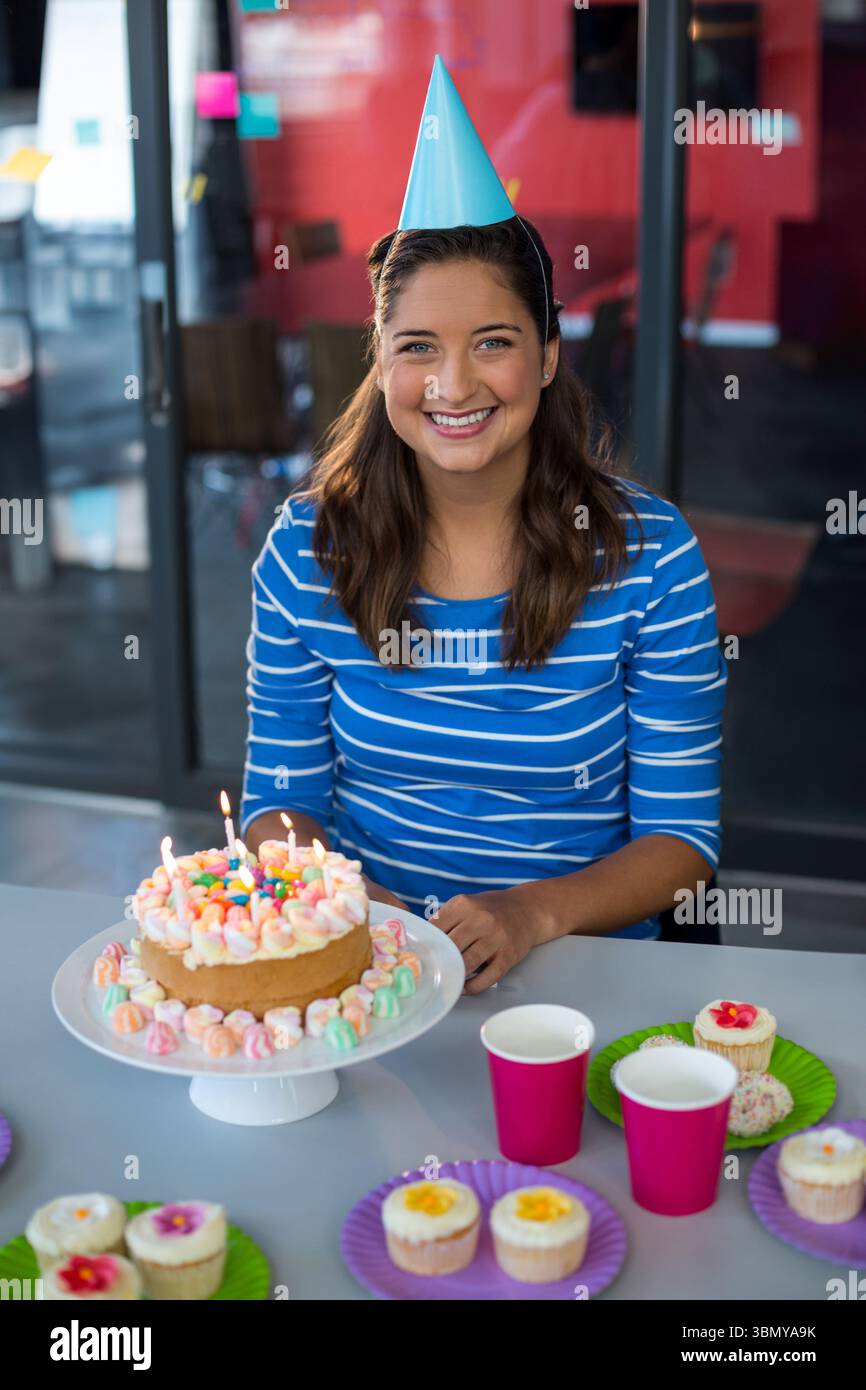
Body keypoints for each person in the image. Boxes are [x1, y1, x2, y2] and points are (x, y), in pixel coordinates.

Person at [240, 57, 726, 992]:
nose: (453, 386)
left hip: (586, 975)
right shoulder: (305, 553)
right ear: (381, 367)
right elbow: (276, 808)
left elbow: (683, 837)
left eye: (492, 344)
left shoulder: (651, 558)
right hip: (367, 970)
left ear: (546, 357)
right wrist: (372, 918)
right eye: (418, 348)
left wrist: (529, 913)